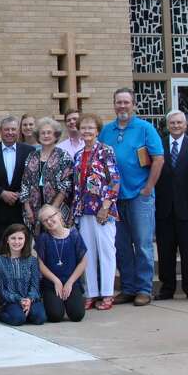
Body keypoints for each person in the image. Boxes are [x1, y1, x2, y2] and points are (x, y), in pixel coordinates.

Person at [98, 88, 164, 306]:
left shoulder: (145, 128)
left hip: (139, 196)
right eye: (119, 102)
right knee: (121, 245)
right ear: (114, 105)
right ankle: (128, 288)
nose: (122, 106)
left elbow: (158, 159)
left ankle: (144, 289)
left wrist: (148, 188)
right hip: (115, 198)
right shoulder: (107, 131)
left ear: (133, 104)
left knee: (143, 244)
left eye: (126, 102)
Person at [72, 113, 120, 311]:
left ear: (97, 131)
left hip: (103, 210)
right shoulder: (78, 154)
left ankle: (107, 294)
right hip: (84, 210)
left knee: (106, 253)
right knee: (88, 254)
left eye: (90, 128)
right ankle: (91, 293)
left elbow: (115, 180)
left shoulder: (105, 151)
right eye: (83, 128)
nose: (87, 131)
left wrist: (106, 206)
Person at [155, 110, 188, 302]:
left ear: (185, 125)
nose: (176, 125)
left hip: (187, 208)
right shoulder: (157, 146)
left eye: (179, 123)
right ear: (167, 126)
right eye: (172, 123)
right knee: (165, 252)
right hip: (163, 208)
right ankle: (167, 289)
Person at [0, 116, 32, 255]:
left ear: (18, 131)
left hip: (21, 209)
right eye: (6, 129)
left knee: (22, 251)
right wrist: (1, 193)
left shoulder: (29, 151)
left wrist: (20, 193)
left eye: (13, 129)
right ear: (0, 131)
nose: (10, 132)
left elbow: (31, 178)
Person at [19, 117, 74, 235]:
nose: (46, 135)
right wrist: (27, 208)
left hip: (57, 208)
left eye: (49, 132)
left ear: (56, 135)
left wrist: (52, 210)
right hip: (34, 208)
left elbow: (66, 185)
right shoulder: (32, 156)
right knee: (40, 244)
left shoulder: (63, 156)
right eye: (42, 133)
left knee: (57, 240)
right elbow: (25, 183)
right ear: (38, 136)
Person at [36, 205, 88, 323]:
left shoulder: (74, 235)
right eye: (45, 220)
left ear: (59, 215)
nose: (49, 221)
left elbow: (83, 262)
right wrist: (56, 281)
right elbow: (40, 264)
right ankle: (53, 301)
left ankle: (70, 301)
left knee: (77, 315)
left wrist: (70, 282)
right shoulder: (43, 239)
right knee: (55, 316)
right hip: (52, 284)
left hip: (71, 282)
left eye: (51, 217)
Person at [0, 224, 45, 326]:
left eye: (20, 238)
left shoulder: (32, 260)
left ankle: (26, 312)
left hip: (30, 299)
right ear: (7, 240)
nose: (17, 242)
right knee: (18, 319)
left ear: (25, 240)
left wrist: (29, 299)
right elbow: (2, 290)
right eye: (13, 238)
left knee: (40, 318)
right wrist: (18, 299)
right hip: (10, 301)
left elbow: (35, 286)